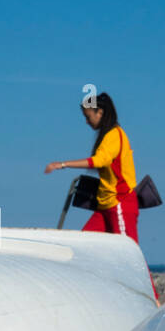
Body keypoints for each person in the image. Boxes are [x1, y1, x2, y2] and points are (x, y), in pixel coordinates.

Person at [44, 92, 141, 243]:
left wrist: (63, 164)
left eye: (88, 117)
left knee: (128, 253)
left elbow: (99, 161)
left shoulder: (115, 134)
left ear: (100, 112)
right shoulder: (106, 136)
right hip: (104, 206)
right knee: (85, 244)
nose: (87, 122)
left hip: (120, 203)